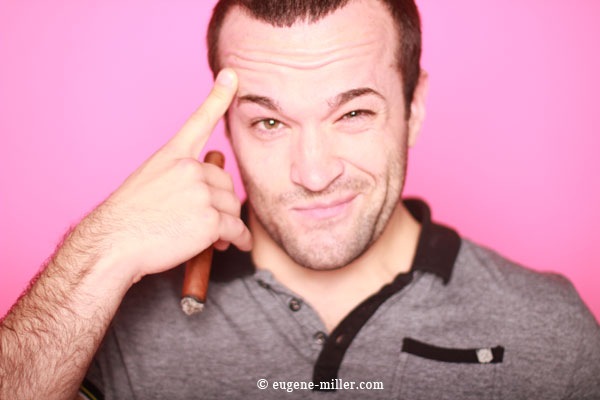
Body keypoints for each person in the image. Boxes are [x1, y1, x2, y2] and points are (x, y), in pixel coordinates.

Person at [1, 0, 598, 398]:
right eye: (269, 122)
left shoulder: (546, 329)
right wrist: (100, 249)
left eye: (354, 113)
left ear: (414, 107)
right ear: (228, 127)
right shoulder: (111, 322)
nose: (313, 173)